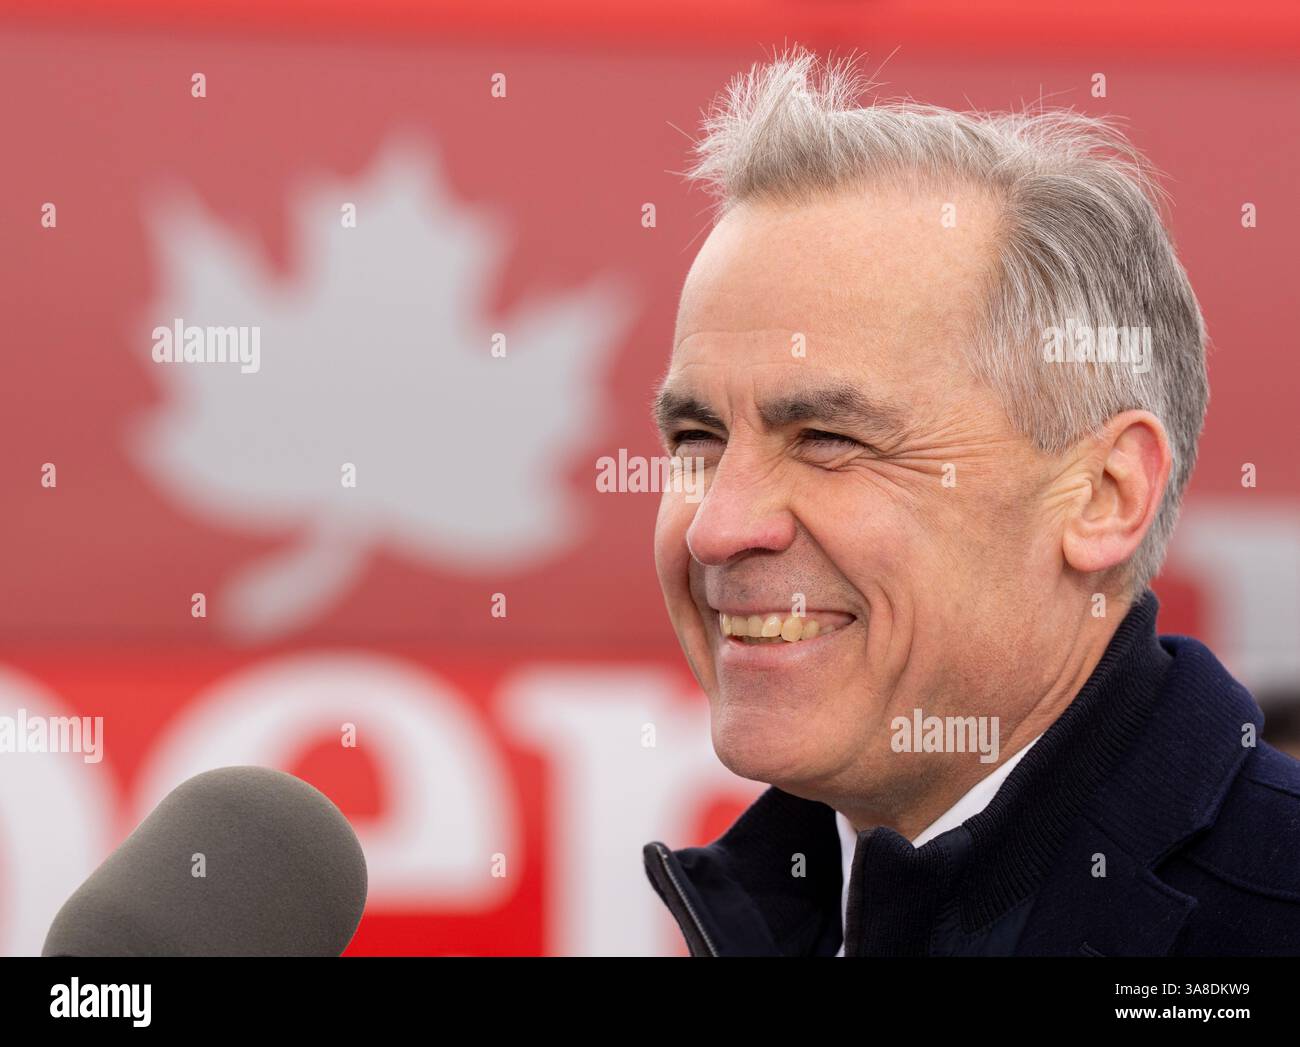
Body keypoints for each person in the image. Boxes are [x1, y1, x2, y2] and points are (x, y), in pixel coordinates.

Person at [642, 46, 1300, 956]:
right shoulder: (761, 912)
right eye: (697, 441)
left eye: (829, 439)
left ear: (1103, 495)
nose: (717, 527)